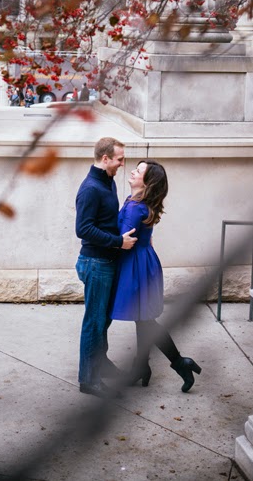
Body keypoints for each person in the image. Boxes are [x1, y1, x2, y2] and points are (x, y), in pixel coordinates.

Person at [110, 160, 203, 392]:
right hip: (144, 263)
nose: (132, 170)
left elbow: (123, 240)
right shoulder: (138, 203)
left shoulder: (134, 207)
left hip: (135, 266)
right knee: (143, 319)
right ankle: (144, 366)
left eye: (139, 170)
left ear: (148, 182)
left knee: (145, 320)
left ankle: (179, 363)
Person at [75, 137, 138, 398]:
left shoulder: (107, 182)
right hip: (95, 263)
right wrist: (118, 242)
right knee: (95, 322)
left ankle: (101, 363)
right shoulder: (90, 188)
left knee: (104, 319)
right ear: (105, 159)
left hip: (106, 261)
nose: (123, 164)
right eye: (119, 159)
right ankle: (88, 380)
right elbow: (83, 229)